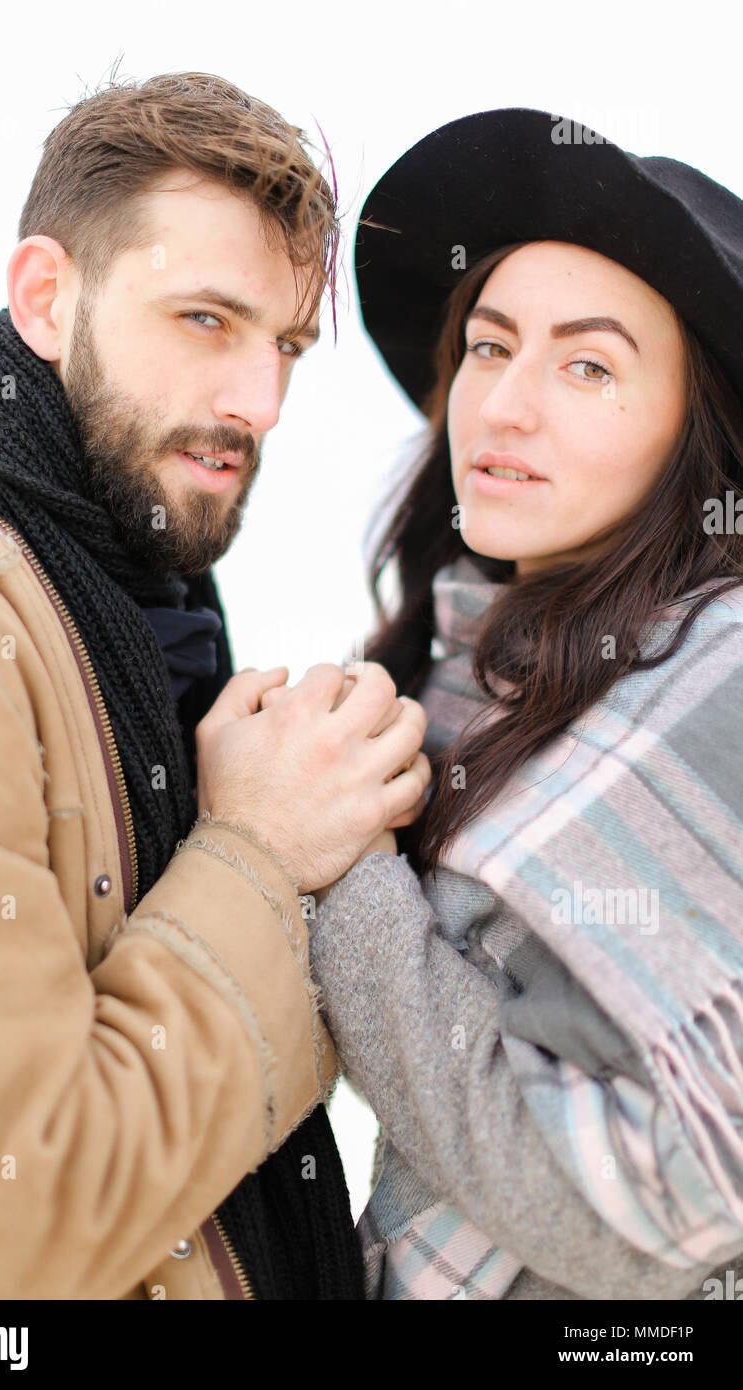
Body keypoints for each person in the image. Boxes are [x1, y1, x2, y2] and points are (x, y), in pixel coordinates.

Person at [0, 71, 430, 1301]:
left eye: (283, 345)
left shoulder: (150, 624)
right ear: (43, 296)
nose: (261, 402)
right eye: (203, 321)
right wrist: (256, 847)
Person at [304, 108, 743, 1300]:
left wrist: (331, 853)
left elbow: (648, 1213)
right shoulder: (450, 673)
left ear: (692, 435)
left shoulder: (720, 688)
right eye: (490, 347)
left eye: (587, 366)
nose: (502, 405)